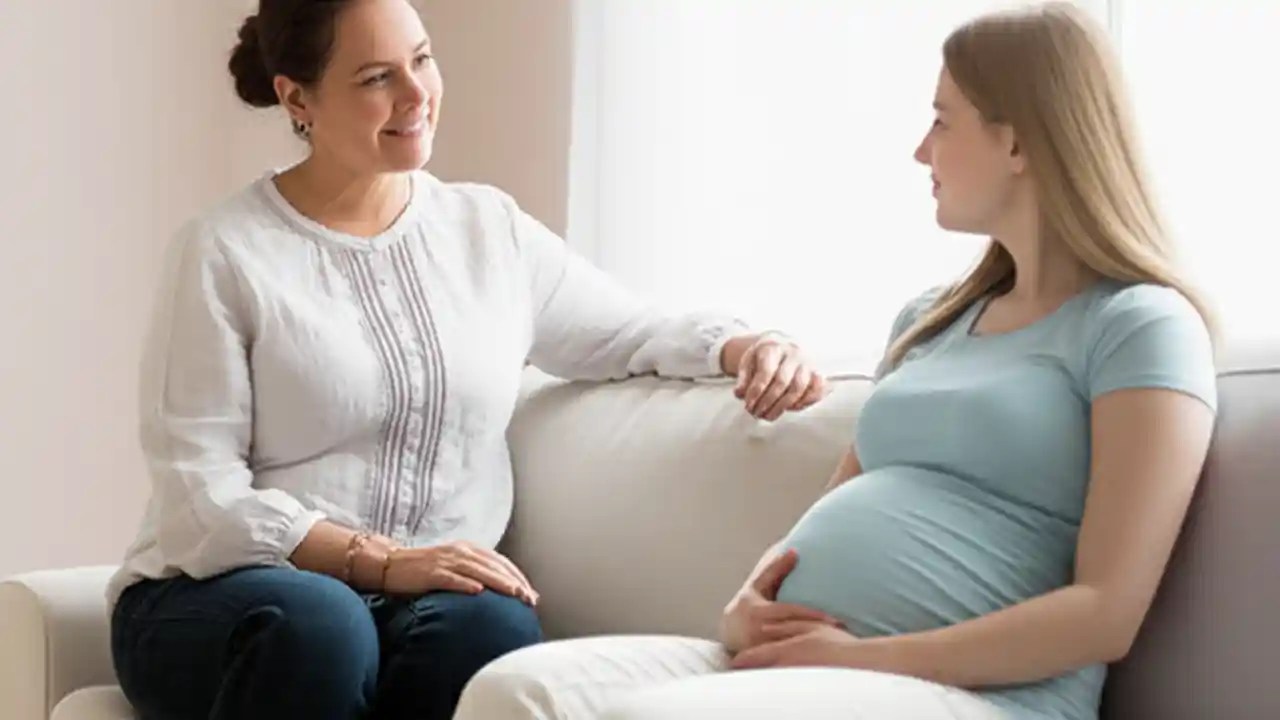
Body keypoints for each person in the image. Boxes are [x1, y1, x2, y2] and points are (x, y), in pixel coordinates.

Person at [454, 4, 1218, 719]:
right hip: (808, 668)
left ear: (1018, 141)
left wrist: (871, 659)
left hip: (976, 695)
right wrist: (747, 601)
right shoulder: (931, 320)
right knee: (514, 691)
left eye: (941, 119)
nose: (921, 149)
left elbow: (1105, 613)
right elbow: (827, 507)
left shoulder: (1139, 325)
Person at [105, 1, 829, 719]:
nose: (417, 94)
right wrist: (382, 562)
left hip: (414, 604)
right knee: (324, 626)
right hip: (225, 598)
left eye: (422, 59)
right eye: (375, 78)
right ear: (298, 98)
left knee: (492, 626)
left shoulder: (487, 231)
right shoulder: (224, 251)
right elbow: (200, 497)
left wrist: (747, 345)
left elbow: (631, 333)